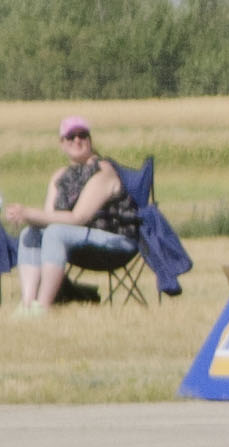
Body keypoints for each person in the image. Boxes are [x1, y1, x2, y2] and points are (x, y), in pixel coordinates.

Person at [9, 117, 139, 310]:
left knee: (55, 233)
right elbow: (48, 218)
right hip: (78, 242)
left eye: (82, 135)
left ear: (90, 140)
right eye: (71, 136)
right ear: (62, 143)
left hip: (115, 242)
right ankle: (27, 303)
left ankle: (43, 306)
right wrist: (27, 217)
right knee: (31, 232)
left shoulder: (103, 171)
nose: (77, 140)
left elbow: (79, 218)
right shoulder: (60, 176)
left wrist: (29, 213)